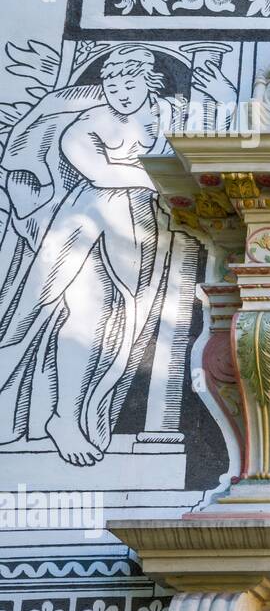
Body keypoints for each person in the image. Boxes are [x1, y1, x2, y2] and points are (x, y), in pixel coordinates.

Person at [0, 45, 165, 466]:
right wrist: (157, 174)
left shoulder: (166, 115)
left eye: (130, 83)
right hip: (81, 219)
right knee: (30, 310)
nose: (120, 91)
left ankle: (66, 418)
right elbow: (99, 172)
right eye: (112, 83)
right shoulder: (85, 122)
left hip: (136, 228)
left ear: (149, 84)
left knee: (97, 322)